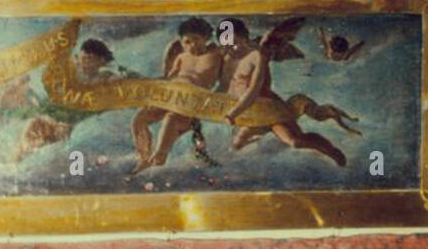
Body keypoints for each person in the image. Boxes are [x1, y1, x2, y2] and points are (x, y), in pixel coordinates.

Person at [224, 19, 347, 167]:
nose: (233, 47)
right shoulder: (229, 58)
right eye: (229, 44)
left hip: (269, 108)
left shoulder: (259, 54)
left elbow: (253, 89)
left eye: (237, 42)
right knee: (236, 145)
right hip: (249, 110)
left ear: (245, 38)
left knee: (295, 141)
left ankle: (330, 150)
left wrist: (233, 113)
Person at [132, 17, 223, 171]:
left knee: (170, 118)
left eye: (196, 40)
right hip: (171, 95)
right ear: (181, 42)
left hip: (193, 101)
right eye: (187, 42)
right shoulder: (181, 57)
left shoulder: (217, 55)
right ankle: (144, 157)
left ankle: (159, 157)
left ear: (206, 38)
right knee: (140, 119)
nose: (192, 45)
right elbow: (168, 78)